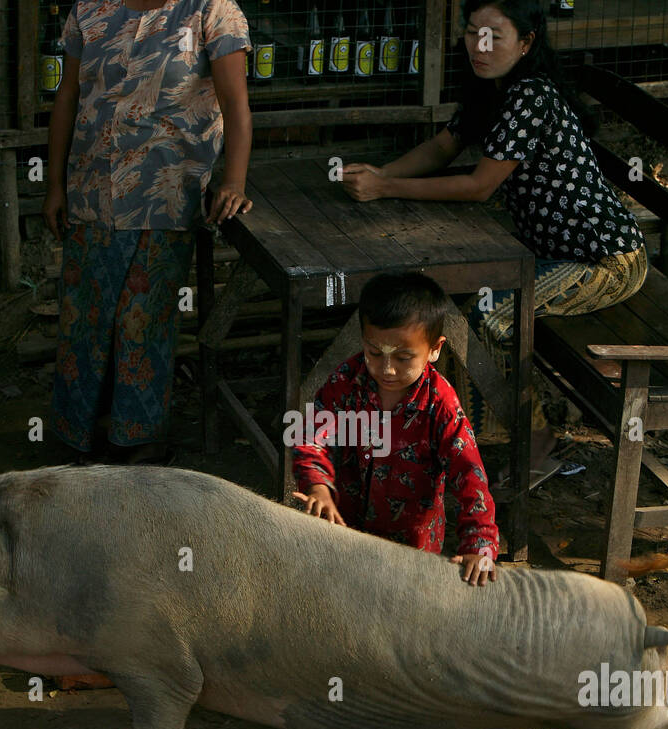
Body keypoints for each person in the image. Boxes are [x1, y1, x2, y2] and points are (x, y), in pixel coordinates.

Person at [340, 0, 648, 478]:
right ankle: (464, 438)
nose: (478, 47)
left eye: (494, 36)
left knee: (487, 316)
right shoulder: (492, 88)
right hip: (550, 253)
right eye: (471, 33)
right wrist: (382, 174)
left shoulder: (530, 96)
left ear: (526, 44)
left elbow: (479, 185)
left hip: (604, 261)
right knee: (459, 300)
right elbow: (444, 146)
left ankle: (528, 442)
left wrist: (387, 187)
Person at [42, 0, 252, 465]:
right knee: (85, 317)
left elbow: (236, 104)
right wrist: (54, 184)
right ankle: (81, 433)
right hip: (91, 193)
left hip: (166, 196)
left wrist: (233, 181)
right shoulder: (89, 9)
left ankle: (138, 438)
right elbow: (68, 98)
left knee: (144, 318)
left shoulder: (212, 11)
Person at [292, 273, 500, 586]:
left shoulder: (440, 406)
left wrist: (478, 545)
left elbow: (470, 476)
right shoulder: (347, 380)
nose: (387, 369)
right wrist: (317, 485)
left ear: (434, 348)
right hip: (346, 531)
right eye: (375, 352)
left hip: (413, 551)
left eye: (403, 357)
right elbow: (310, 434)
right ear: (363, 339)